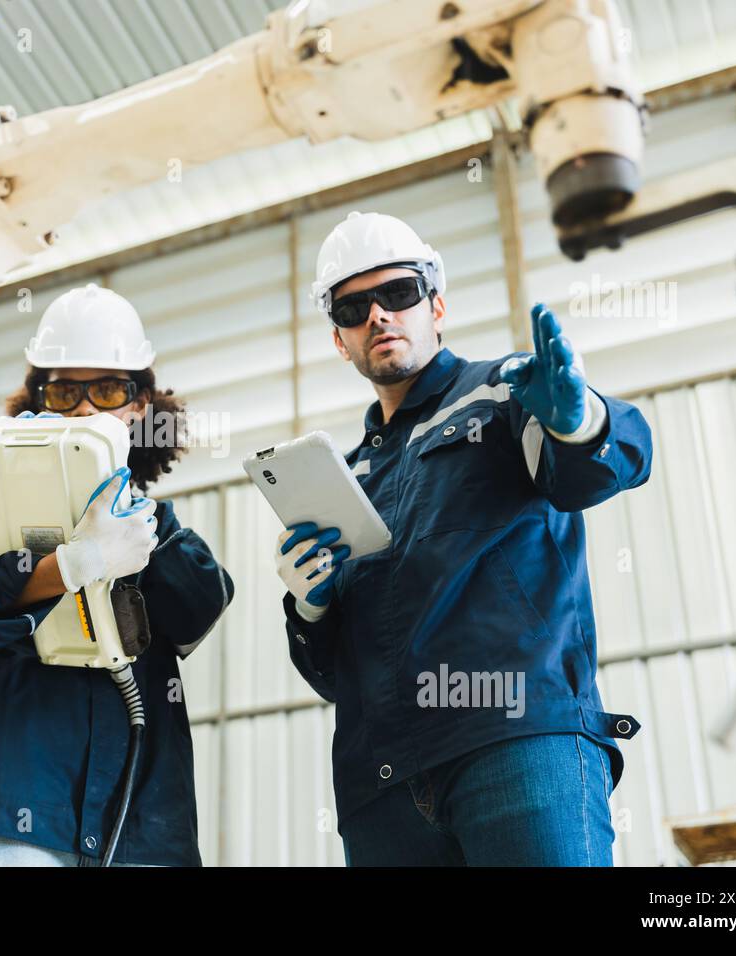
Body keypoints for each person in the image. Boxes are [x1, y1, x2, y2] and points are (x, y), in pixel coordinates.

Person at [278, 211, 653, 866]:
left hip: (514, 747)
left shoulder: (505, 392)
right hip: (384, 793)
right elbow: (338, 676)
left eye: (397, 294)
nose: (378, 316)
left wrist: (581, 420)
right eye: (353, 306)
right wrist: (308, 609)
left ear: (436, 305)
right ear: (339, 339)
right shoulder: (344, 480)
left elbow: (602, 465)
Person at [0, 283, 232, 867]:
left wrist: (131, 525)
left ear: (139, 406)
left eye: (109, 389)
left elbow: (201, 604)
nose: (88, 408)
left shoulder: (155, 531)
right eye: (66, 391)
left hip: (138, 836)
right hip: (9, 820)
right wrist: (75, 564)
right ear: (38, 400)